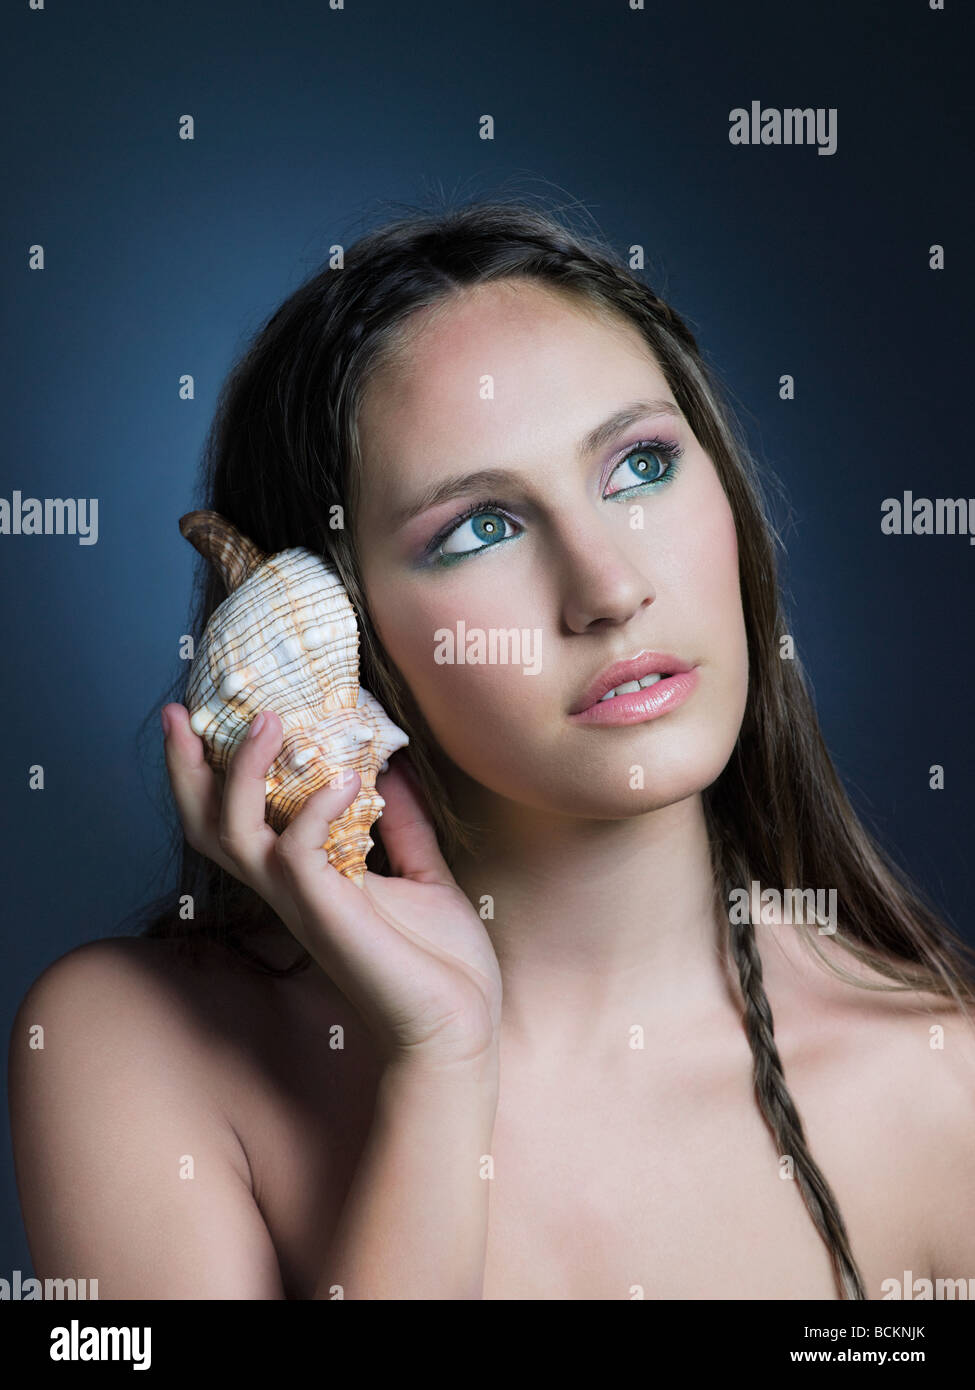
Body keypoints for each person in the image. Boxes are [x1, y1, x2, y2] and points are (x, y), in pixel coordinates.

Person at [10, 198, 975, 1301]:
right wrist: (439, 1061)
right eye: (480, 528)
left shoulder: (943, 1090)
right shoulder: (132, 1046)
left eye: (640, 466)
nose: (610, 588)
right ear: (341, 624)